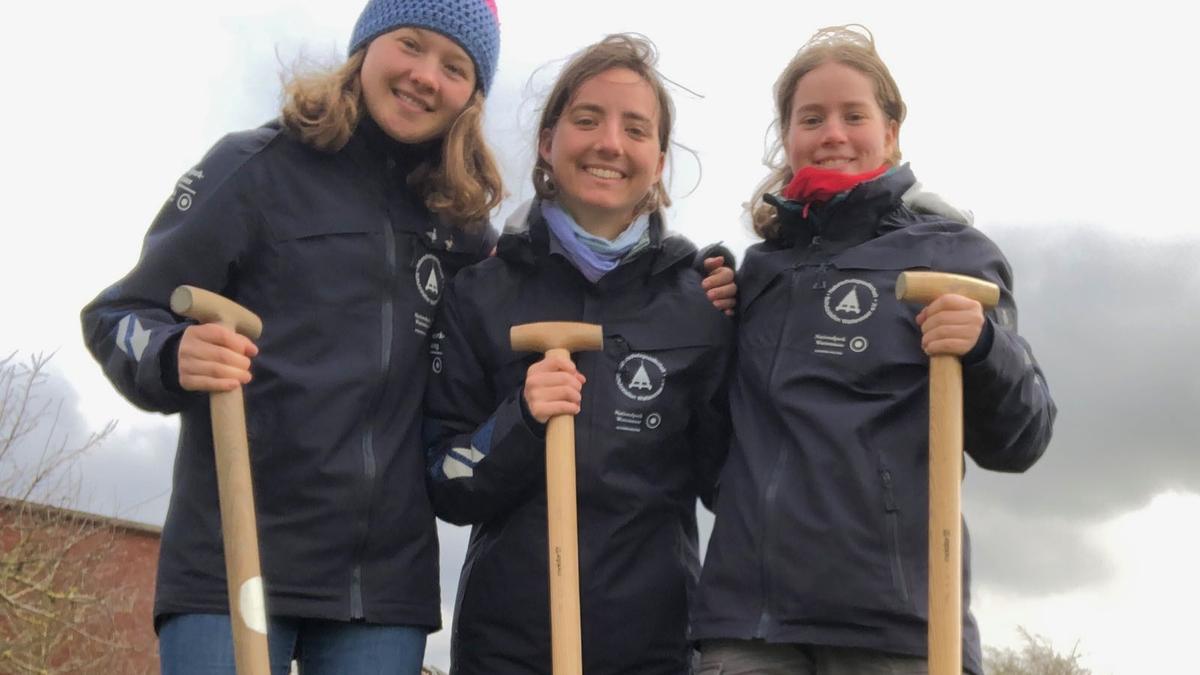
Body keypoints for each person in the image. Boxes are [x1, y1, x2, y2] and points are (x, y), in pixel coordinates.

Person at [80, 1, 504, 672]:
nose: (427, 75)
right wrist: (172, 351)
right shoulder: (256, 167)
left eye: (455, 67)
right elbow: (119, 314)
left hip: (383, 593)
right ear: (366, 46)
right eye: (411, 45)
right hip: (232, 564)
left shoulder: (463, 231)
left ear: (473, 96)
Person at [690, 25, 1057, 675]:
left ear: (889, 132)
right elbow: (719, 449)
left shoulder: (952, 255)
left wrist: (982, 347)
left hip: (900, 629)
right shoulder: (760, 272)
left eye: (853, 115)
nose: (833, 132)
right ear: (789, 136)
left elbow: (1022, 436)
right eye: (812, 118)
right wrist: (706, 323)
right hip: (750, 624)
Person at [423, 34, 735, 675]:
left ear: (658, 156)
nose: (609, 144)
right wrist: (522, 419)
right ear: (547, 141)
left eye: (635, 128)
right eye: (587, 119)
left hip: (656, 650)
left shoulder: (702, 302)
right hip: (508, 652)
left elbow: (730, 483)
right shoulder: (481, 292)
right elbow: (444, 482)